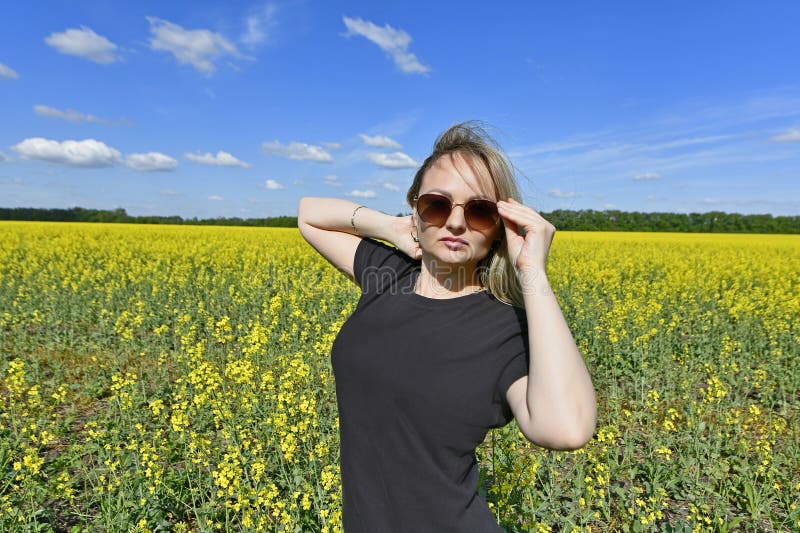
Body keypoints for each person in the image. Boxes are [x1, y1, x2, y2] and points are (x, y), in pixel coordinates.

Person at [297, 122, 596, 532]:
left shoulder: (505, 326)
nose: (455, 223)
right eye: (437, 205)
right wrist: (390, 227)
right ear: (416, 208)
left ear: (499, 227)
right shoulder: (389, 275)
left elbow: (566, 428)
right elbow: (309, 215)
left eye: (479, 210)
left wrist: (533, 274)